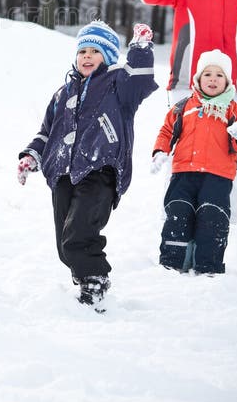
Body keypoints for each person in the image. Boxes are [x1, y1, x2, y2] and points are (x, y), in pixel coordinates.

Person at [17, 20, 158, 312]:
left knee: (79, 234)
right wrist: (32, 155)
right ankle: (85, 278)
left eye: (95, 51)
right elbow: (46, 131)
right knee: (64, 245)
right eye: (83, 51)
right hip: (63, 174)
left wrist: (141, 49)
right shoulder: (62, 94)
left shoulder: (118, 85)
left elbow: (141, 81)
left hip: (100, 170)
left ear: (107, 56)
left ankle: (94, 281)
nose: (87, 56)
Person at [151, 49, 237, 274]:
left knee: (212, 217)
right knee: (178, 213)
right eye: (207, 74)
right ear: (198, 79)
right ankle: (170, 264)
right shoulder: (183, 107)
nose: (213, 79)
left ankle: (209, 267)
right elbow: (167, 131)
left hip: (218, 176)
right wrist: (160, 151)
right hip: (183, 173)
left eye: (219, 75)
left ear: (227, 81)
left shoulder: (235, 111)